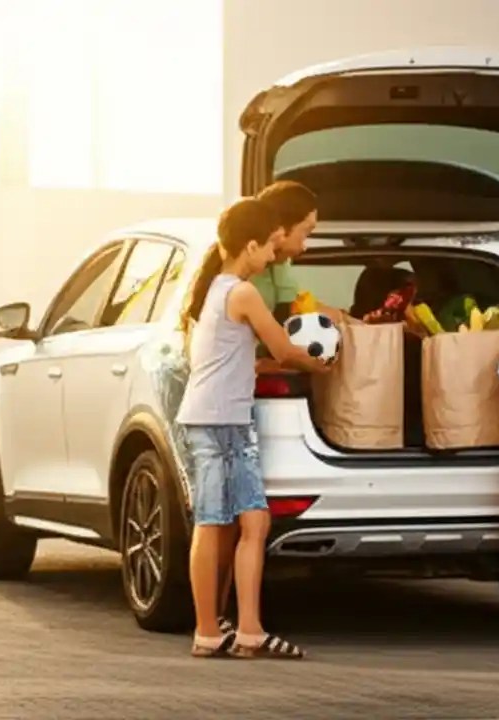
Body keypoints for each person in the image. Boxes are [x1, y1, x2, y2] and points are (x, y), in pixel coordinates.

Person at [176, 198, 331, 659]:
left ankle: (239, 631)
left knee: (242, 520)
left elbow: (241, 356)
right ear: (249, 245)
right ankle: (224, 631)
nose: (272, 254)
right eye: (268, 246)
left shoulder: (213, 290)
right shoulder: (241, 293)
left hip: (216, 417)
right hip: (223, 421)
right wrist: (322, 364)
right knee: (225, 522)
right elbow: (285, 351)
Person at [252, 180, 319, 323]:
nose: (304, 247)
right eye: (305, 232)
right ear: (282, 228)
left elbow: (295, 307)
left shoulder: (277, 266)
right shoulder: (246, 283)